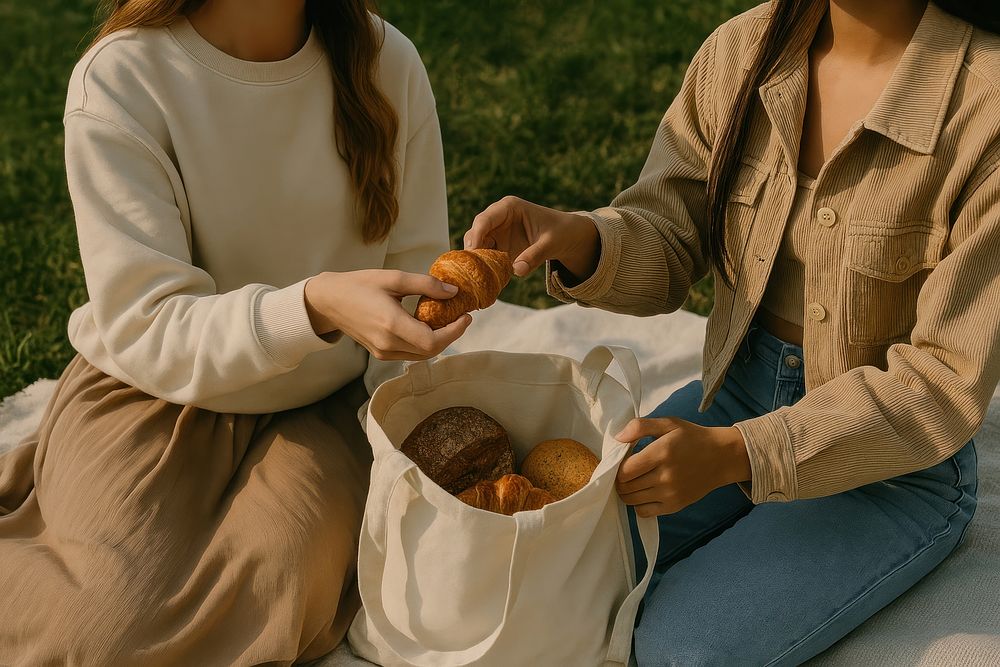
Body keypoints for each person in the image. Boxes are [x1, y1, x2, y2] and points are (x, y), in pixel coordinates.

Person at [466, 0, 999, 663]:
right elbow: (671, 228)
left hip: (889, 470)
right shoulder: (740, 52)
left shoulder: (987, 107)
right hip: (735, 393)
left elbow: (942, 382)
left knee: (679, 650)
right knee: (540, 567)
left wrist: (736, 455)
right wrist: (578, 237)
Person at [0, 0, 469, 664]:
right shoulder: (120, 80)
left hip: (319, 410)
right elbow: (150, 323)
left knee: (276, 582)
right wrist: (312, 307)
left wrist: (414, 439)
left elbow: (416, 287)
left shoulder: (387, 62)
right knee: (96, 628)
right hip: (148, 398)